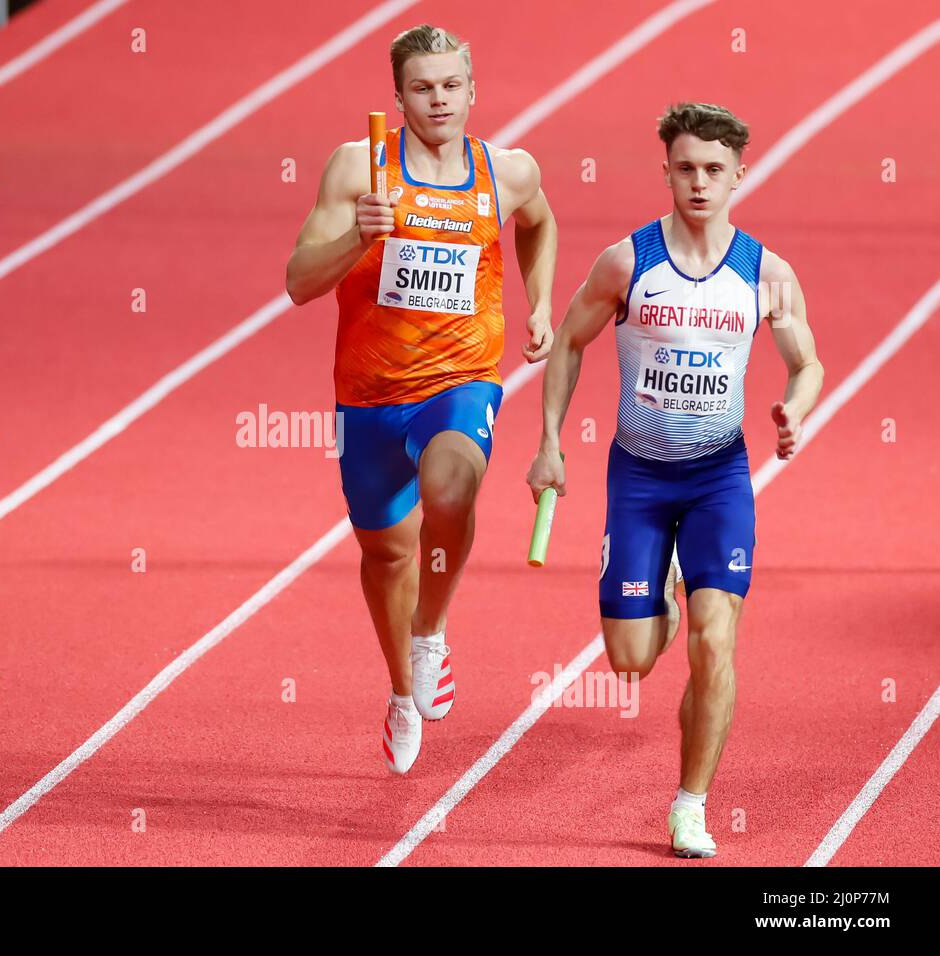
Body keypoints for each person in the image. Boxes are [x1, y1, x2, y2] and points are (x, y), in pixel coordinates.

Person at [526, 102, 824, 856]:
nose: (699, 183)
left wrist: (794, 407)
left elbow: (808, 361)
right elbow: (567, 342)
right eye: (686, 168)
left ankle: (690, 805)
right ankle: (658, 585)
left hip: (720, 479)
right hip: (639, 478)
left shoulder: (765, 273)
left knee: (714, 644)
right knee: (629, 661)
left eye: (714, 171)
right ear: (666, 171)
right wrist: (550, 443)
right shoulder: (629, 262)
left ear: (738, 176)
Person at [286, 24, 557, 774]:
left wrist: (538, 302)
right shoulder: (357, 167)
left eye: (450, 86)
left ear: (473, 89)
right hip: (369, 394)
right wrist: (356, 241)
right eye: (422, 88)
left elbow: (539, 223)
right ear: (398, 95)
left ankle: (430, 631)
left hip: (461, 379)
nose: (438, 100)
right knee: (385, 553)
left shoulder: (507, 171)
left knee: (451, 484)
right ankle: (404, 691)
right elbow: (298, 283)